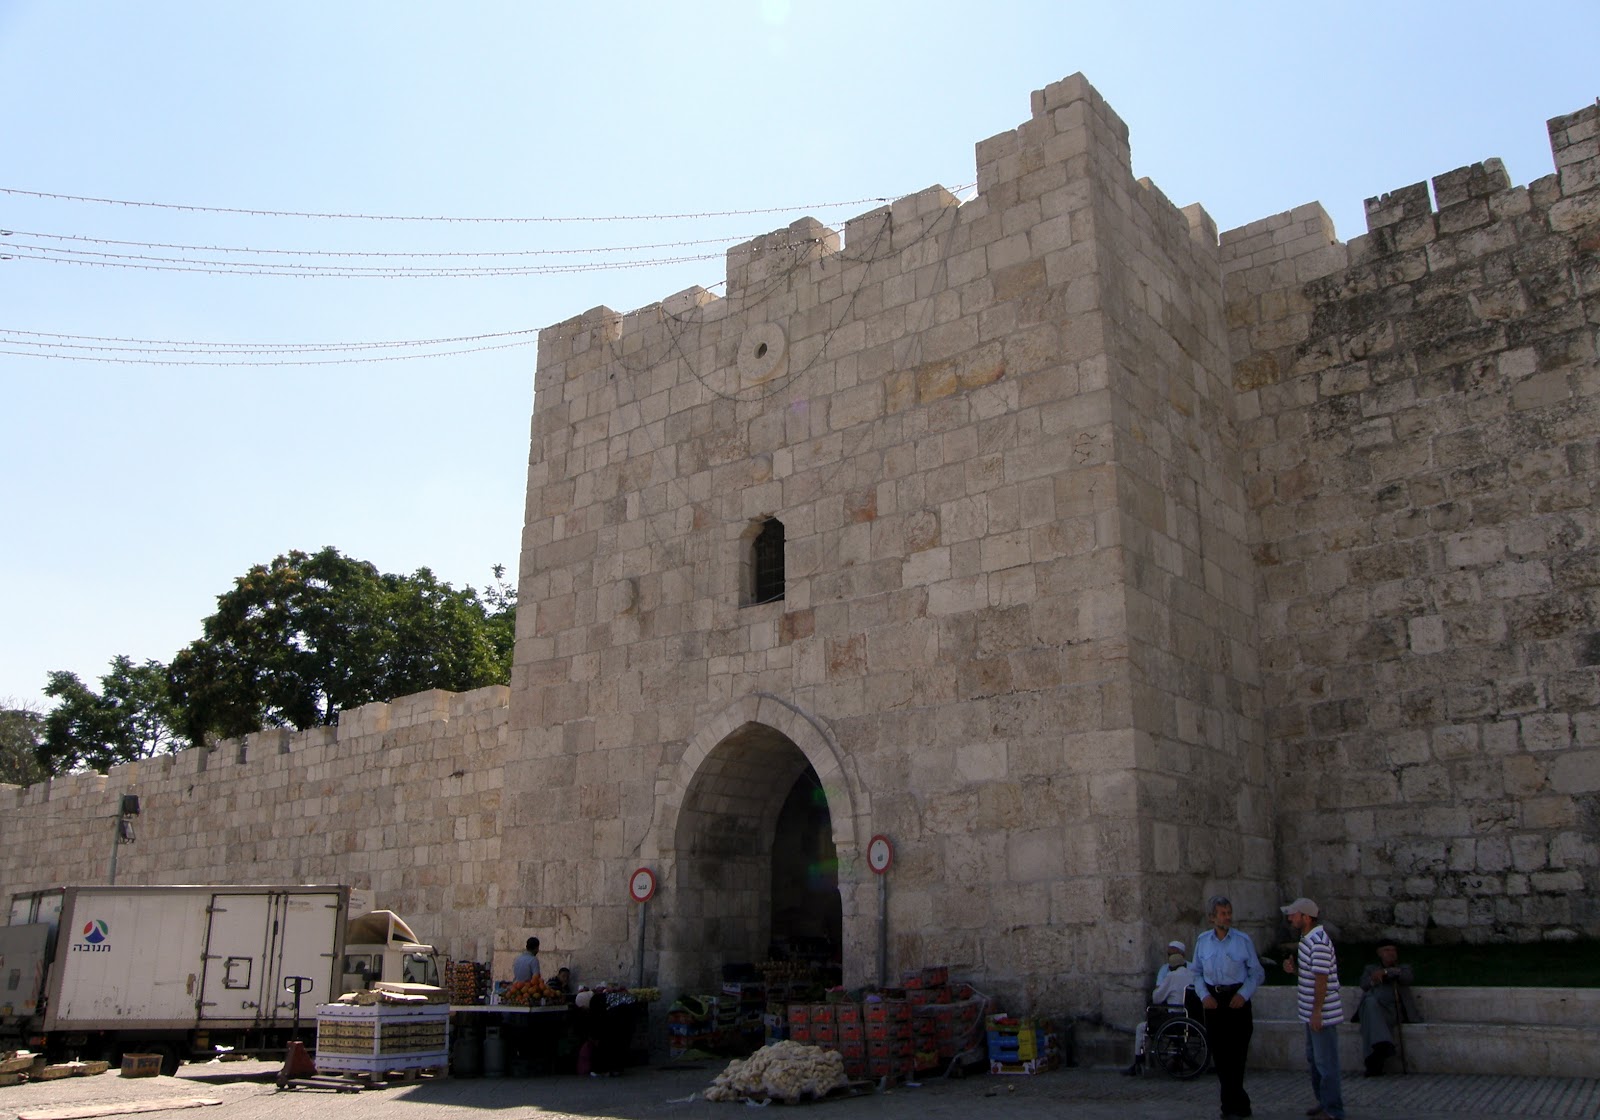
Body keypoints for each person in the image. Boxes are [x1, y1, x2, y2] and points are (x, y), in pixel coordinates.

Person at [1192, 895, 1265, 1120]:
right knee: (1221, 1056)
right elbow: (1196, 972)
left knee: (1237, 1055)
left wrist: (1243, 994)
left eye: (1229, 912)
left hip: (1237, 1001)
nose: (1228, 917)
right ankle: (1234, 1104)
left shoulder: (1242, 941)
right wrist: (1204, 995)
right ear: (1212, 918)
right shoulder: (1203, 941)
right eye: (1223, 913)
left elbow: (1257, 972)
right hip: (1214, 1002)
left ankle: (1234, 1105)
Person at [1282, 897, 1344, 1120]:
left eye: (1294, 914)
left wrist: (1317, 1012)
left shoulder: (1317, 941)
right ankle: (1324, 1102)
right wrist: (1295, 971)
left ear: (1306, 917)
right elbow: (1311, 974)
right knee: (1315, 1060)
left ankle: (1333, 1110)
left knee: (1326, 1063)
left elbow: (1321, 979)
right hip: (1311, 1013)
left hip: (1322, 1014)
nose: (1290, 918)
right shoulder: (1307, 939)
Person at [1125, 938, 1195, 1074]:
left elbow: (1157, 998)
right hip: (1191, 1018)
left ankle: (1138, 1062)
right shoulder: (1193, 974)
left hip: (1174, 1018)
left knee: (1141, 1028)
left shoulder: (1171, 976)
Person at [1354, 940, 1419, 1076]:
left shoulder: (1403, 968)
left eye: (1393, 950)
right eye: (1386, 950)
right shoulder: (1370, 969)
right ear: (1379, 953)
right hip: (1376, 1009)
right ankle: (1382, 1046)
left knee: (1369, 1017)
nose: (1391, 953)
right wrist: (1374, 979)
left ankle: (1374, 1059)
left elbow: (1407, 977)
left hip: (1393, 1011)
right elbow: (1364, 984)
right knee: (1370, 1003)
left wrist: (1385, 972)